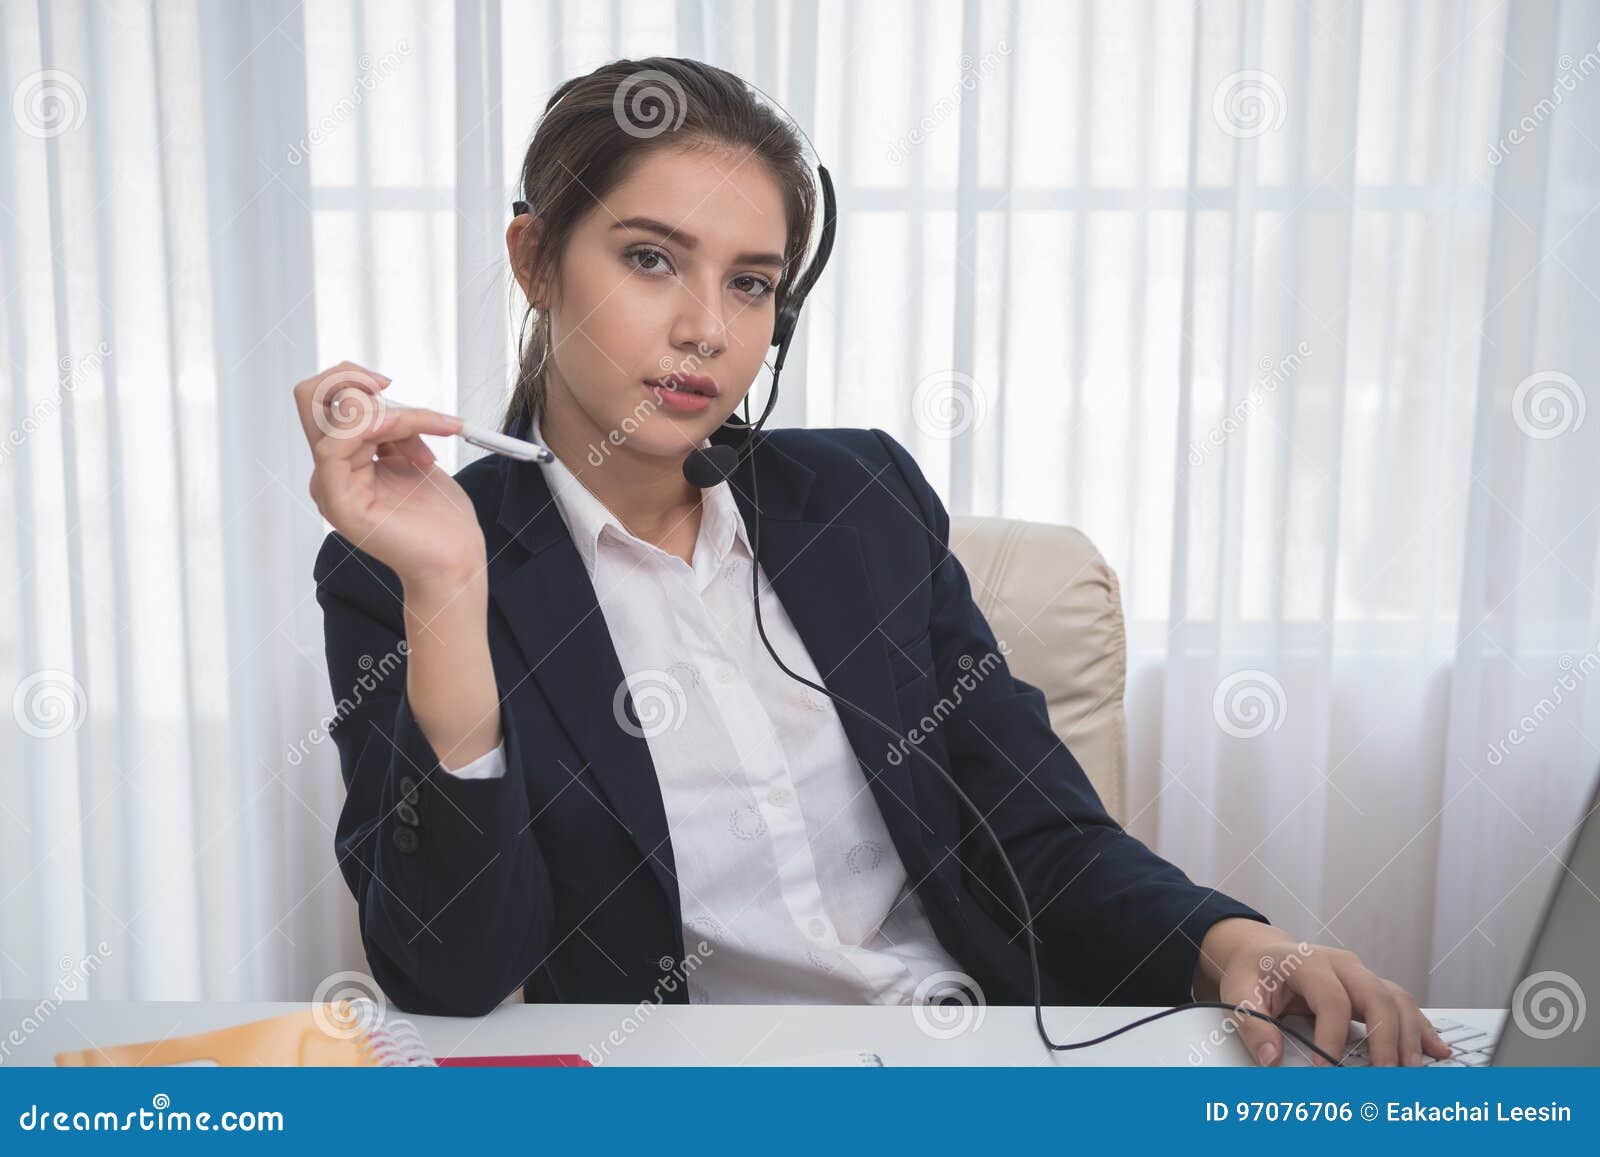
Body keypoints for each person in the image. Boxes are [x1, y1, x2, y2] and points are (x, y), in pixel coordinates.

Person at [298, 56, 1450, 1067]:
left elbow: (1037, 837)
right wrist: (447, 587)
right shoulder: (414, 566)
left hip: (969, 1063)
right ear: (537, 259)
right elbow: (446, 974)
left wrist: (1228, 940)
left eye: (751, 282)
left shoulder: (859, 504)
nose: (708, 327)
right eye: (652, 259)